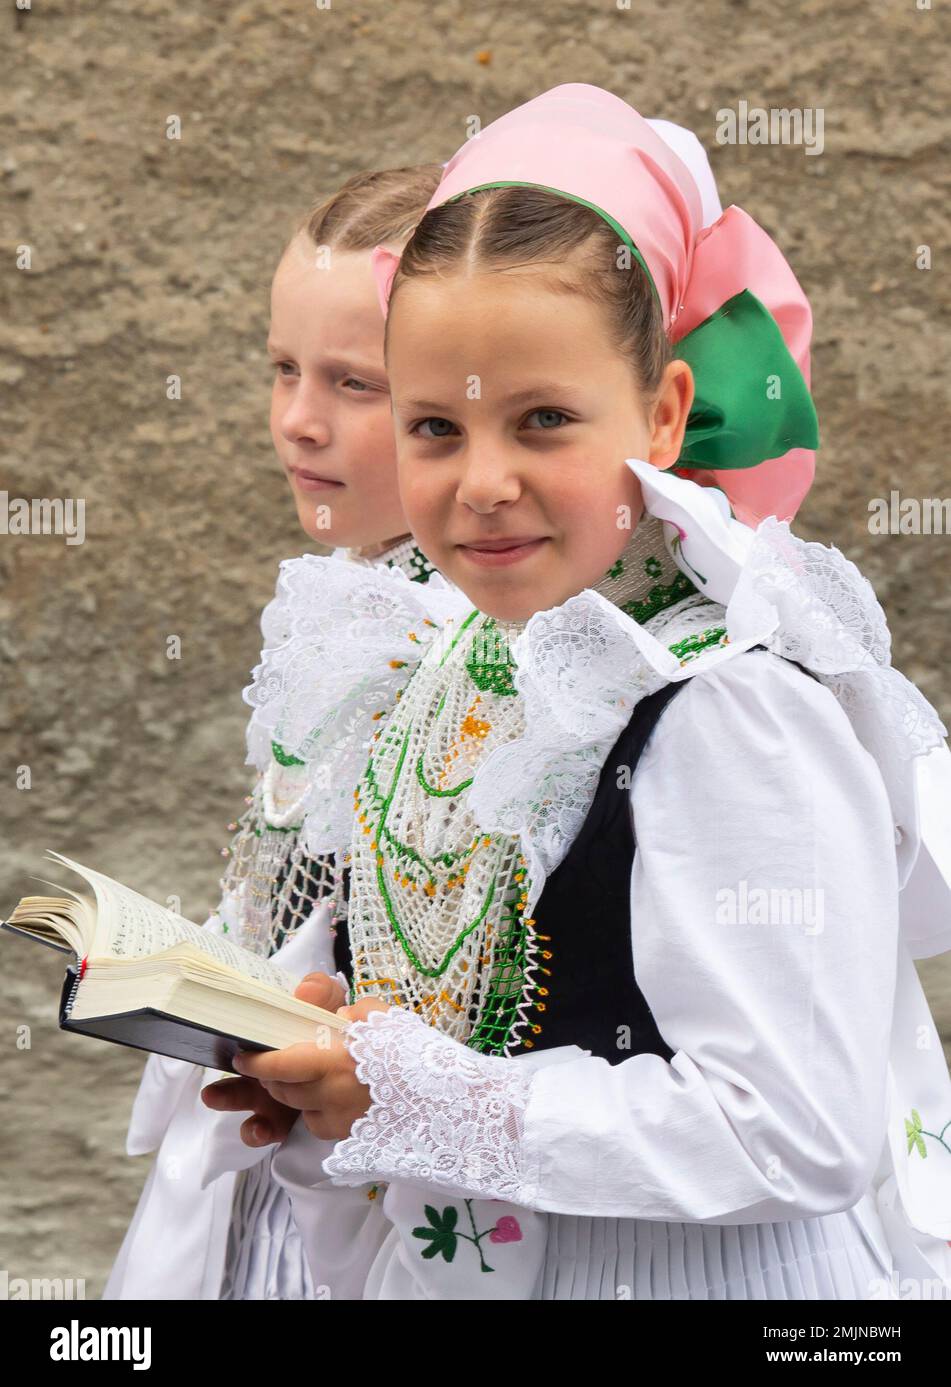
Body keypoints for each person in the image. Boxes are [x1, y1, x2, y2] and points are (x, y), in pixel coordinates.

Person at [220, 84, 951, 1301]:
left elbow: (799, 1127)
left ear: (663, 414)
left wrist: (416, 1091)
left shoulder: (726, 707)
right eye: (434, 428)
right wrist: (326, 1077)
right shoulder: (439, 670)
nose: (484, 482)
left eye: (544, 419)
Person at [106, 115, 726, 1300]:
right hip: (298, 1153)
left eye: (357, 385)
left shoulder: (559, 661)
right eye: (280, 369)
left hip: (458, 1195)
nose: (299, 419)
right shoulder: (339, 624)